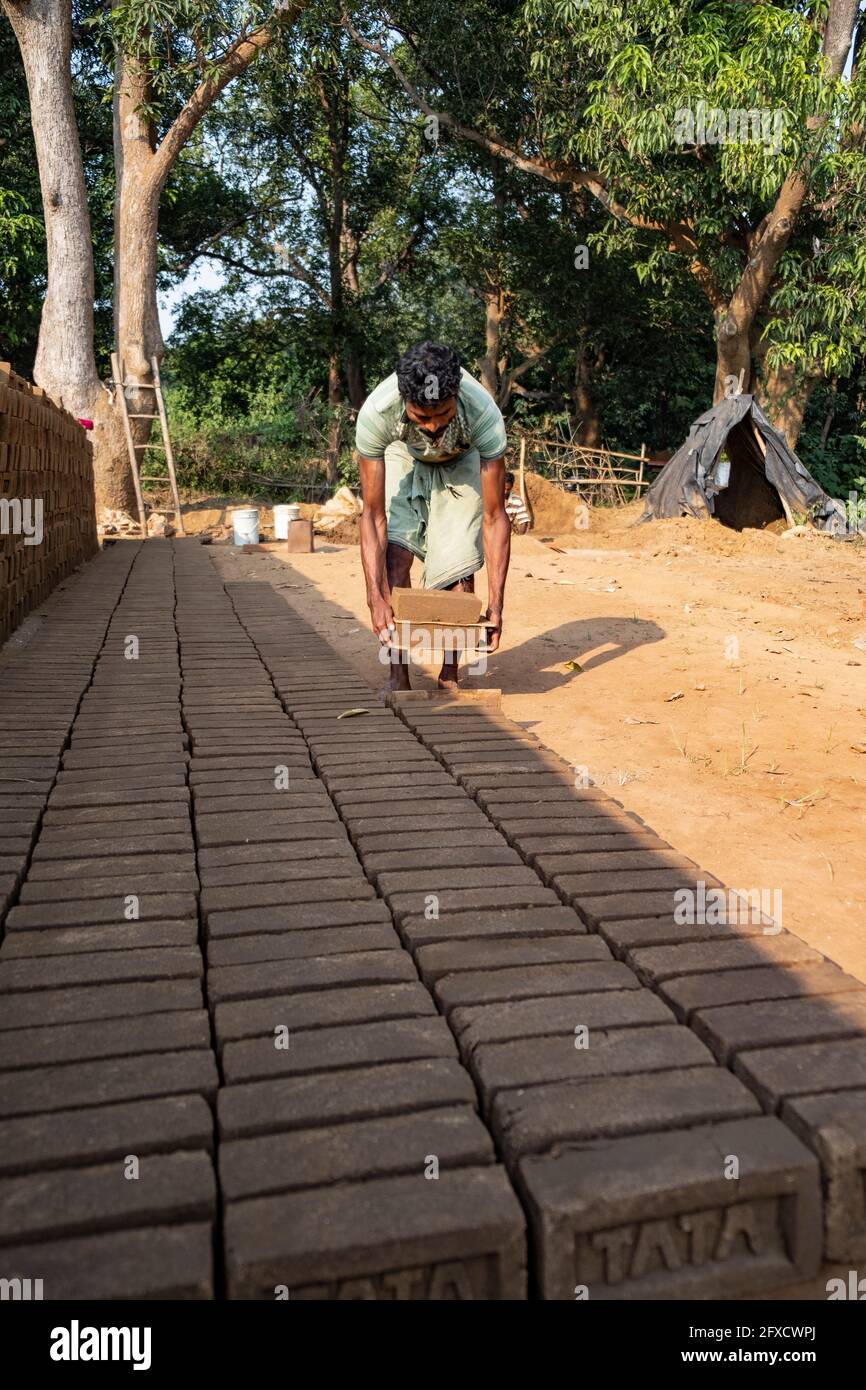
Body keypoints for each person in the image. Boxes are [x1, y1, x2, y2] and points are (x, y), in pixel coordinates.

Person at [355, 341, 511, 691]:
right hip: (403, 456)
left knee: (461, 566)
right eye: (421, 416)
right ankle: (399, 674)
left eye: (443, 413)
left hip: (463, 458)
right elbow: (373, 516)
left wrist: (497, 605)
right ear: (403, 401)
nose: (432, 426)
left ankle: (449, 674)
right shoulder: (377, 415)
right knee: (396, 555)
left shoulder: (483, 414)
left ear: (456, 395)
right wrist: (374, 598)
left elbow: (495, 517)